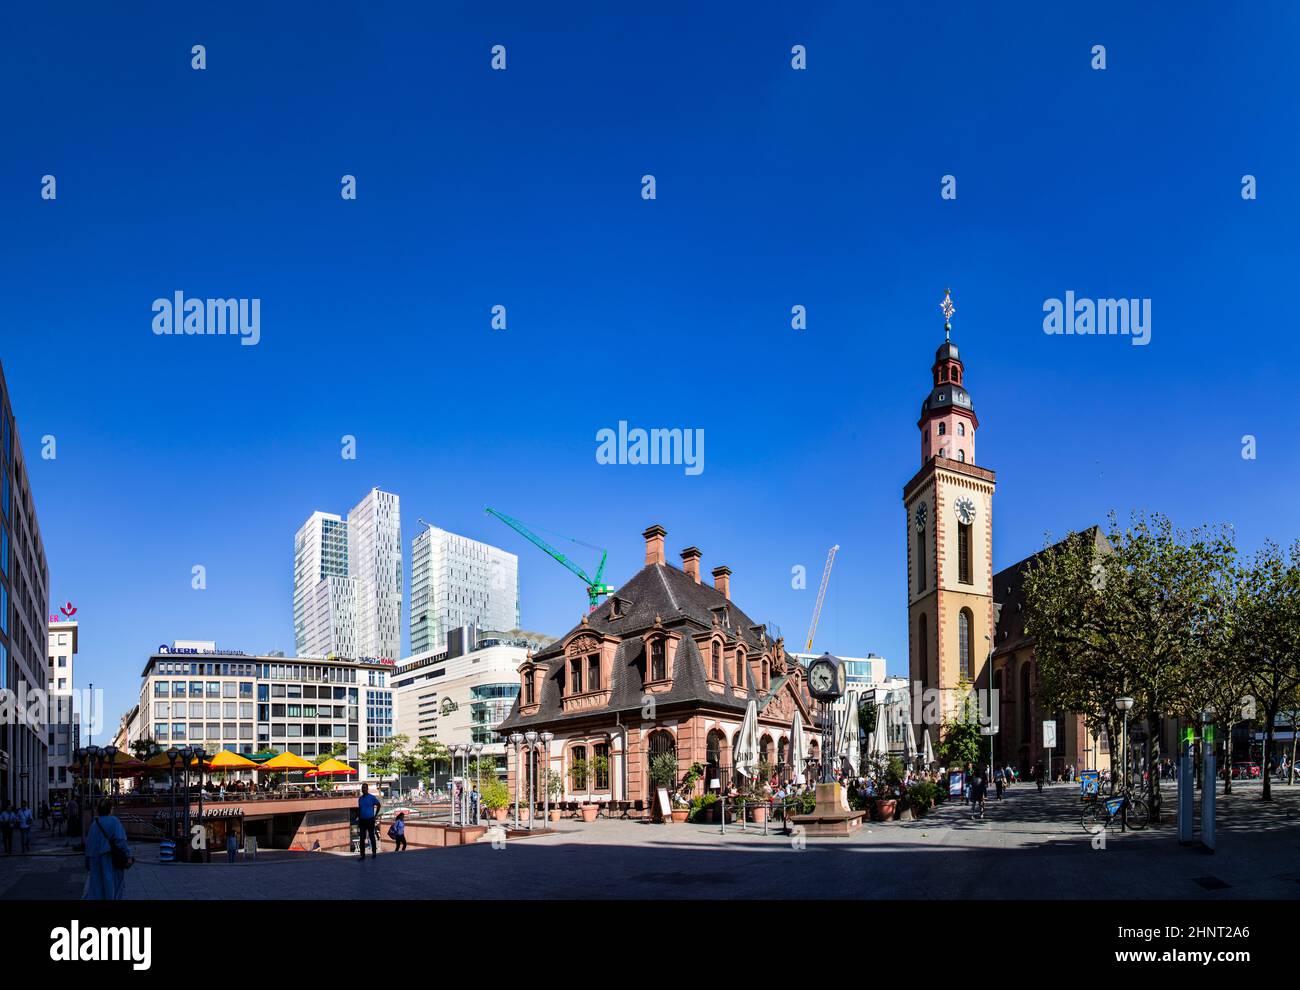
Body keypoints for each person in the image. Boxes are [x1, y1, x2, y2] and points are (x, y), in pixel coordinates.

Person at [84, 798, 132, 899]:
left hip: (95, 859)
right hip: (109, 859)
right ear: (110, 809)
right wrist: (128, 855)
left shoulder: (94, 824)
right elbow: (121, 841)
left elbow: (89, 845)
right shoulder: (114, 821)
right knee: (111, 885)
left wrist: (87, 861)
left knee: (96, 886)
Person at [357, 783, 381, 859]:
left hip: (370, 819)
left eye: (364, 788)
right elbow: (360, 808)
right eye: (362, 788)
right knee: (362, 838)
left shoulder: (372, 797)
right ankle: (362, 854)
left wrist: (375, 815)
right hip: (362, 820)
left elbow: (378, 805)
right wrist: (359, 817)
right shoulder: (360, 799)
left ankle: (374, 853)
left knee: (371, 836)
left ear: (367, 789)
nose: (363, 789)